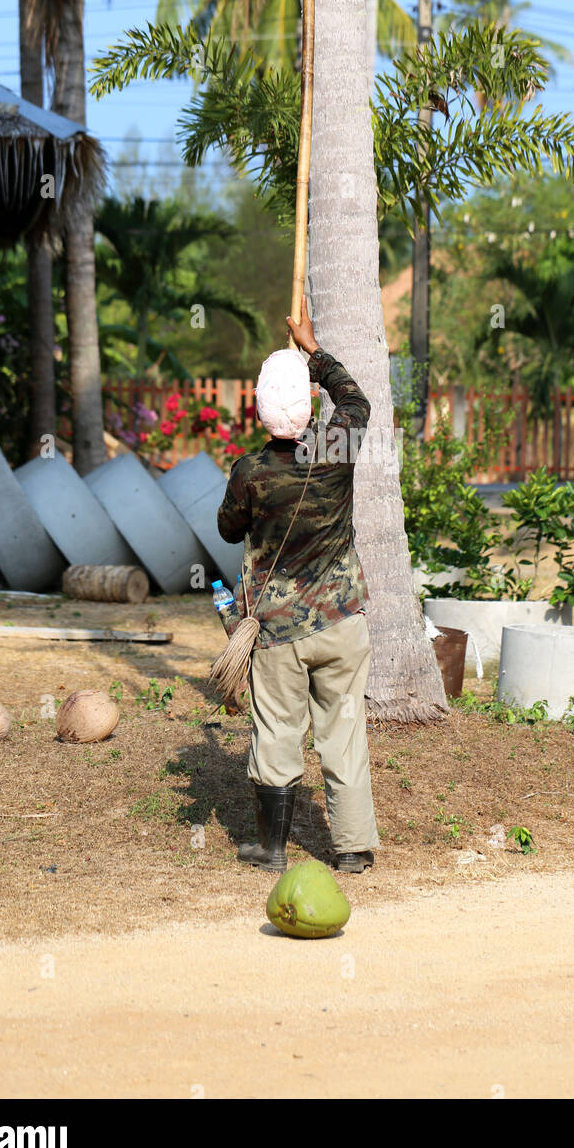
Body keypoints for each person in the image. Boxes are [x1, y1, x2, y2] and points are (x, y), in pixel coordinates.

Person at [216, 298, 378, 875]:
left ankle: (273, 848)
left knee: (278, 732)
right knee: (344, 730)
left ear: (260, 412)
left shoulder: (251, 473)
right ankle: (355, 848)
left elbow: (227, 527)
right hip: (342, 621)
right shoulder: (337, 450)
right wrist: (313, 352)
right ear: (310, 408)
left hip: (279, 631)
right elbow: (357, 399)